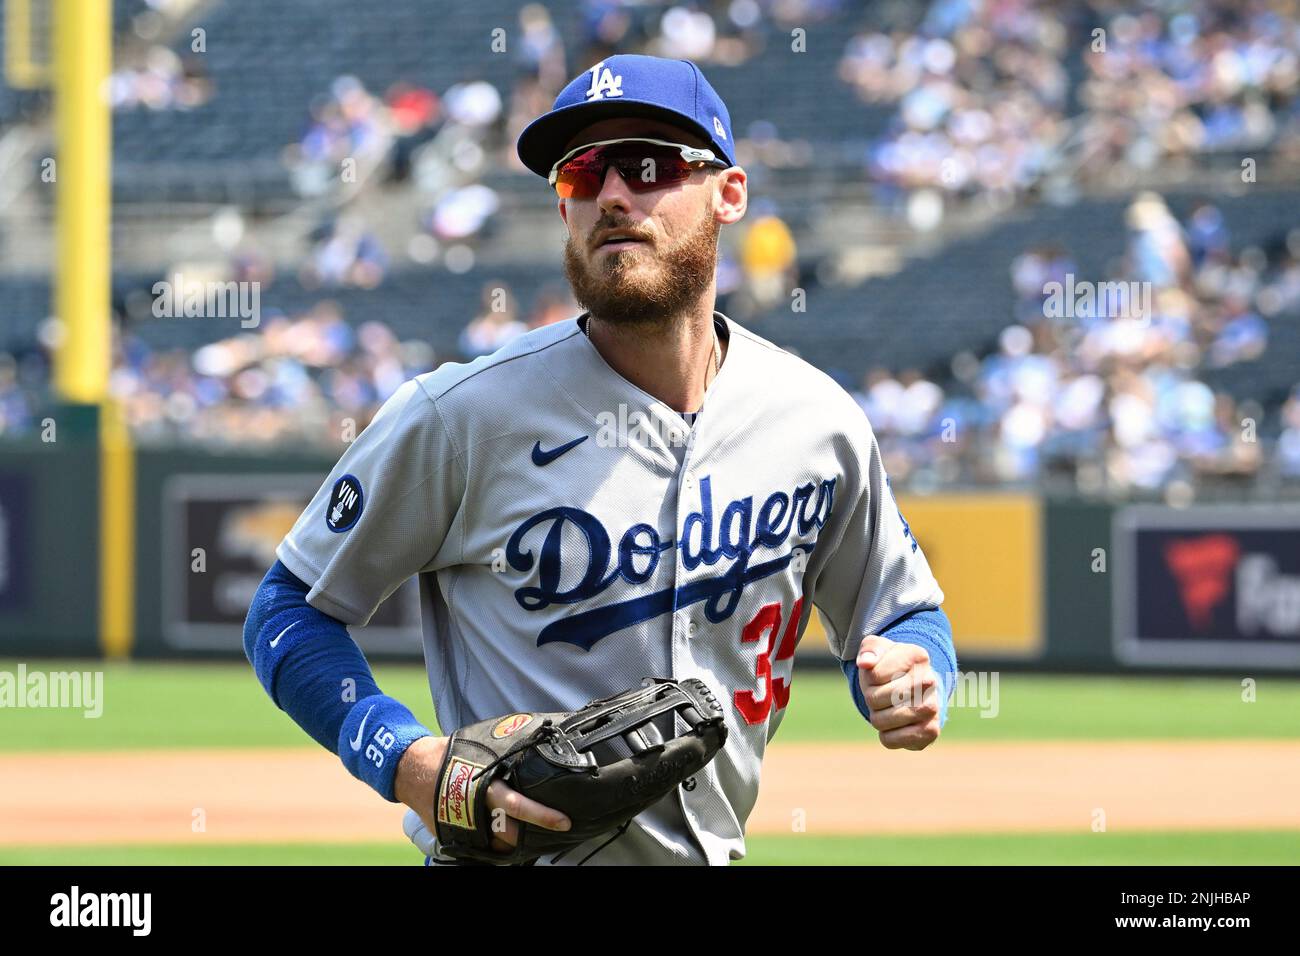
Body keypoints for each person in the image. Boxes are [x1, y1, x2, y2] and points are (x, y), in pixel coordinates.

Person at [243, 54, 957, 866]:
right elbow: (287, 610)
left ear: (730, 193)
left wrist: (911, 674)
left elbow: (905, 615)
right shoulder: (461, 417)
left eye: (647, 165)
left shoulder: (815, 420)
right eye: (580, 175)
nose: (612, 194)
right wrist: (405, 760)